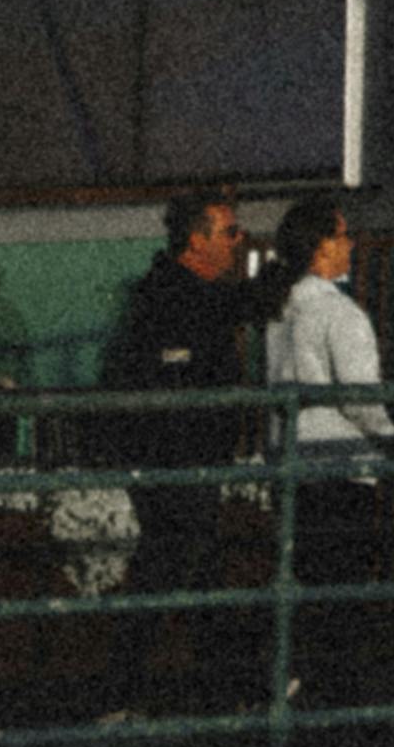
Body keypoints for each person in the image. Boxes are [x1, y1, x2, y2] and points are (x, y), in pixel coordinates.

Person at [101, 189, 269, 702]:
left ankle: (218, 683)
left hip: (185, 454)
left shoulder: (171, 291)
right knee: (174, 566)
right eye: (230, 232)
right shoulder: (180, 295)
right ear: (197, 240)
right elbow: (241, 306)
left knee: (192, 567)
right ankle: (130, 687)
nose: (238, 242)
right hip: (178, 455)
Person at [262, 194, 394, 689]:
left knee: (303, 580)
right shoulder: (342, 314)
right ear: (320, 249)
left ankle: (294, 681)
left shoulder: (280, 309)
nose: (350, 243)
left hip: (287, 456)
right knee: (342, 586)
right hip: (339, 462)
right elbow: (360, 395)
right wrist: (385, 434)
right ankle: (334, 691)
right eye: (341, 235)